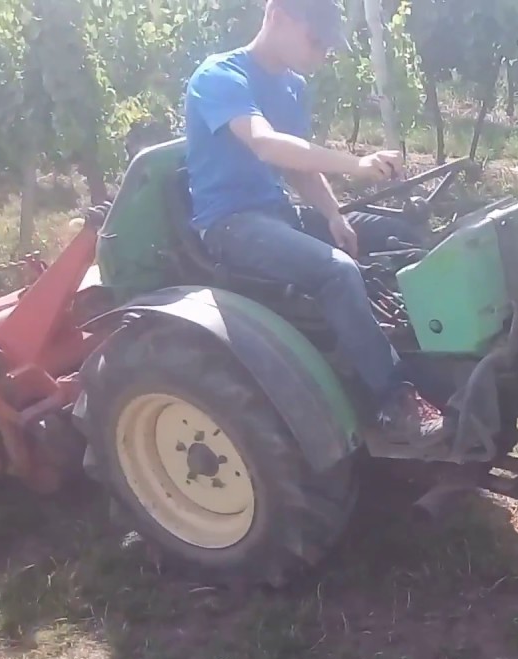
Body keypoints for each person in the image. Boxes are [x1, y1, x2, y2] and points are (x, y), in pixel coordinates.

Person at [182, 0, 445, 446]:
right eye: (316, 40)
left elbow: (298, 164)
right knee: (336, 270)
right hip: (231, 225)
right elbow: (268, 146)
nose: (323, 54)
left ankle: (428, 355)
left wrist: (334, 214)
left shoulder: (292, 87)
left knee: (399, 233)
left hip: (278, 214)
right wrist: (357, 163)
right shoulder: (220, 77)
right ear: (276, 16)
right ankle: (392, 398)